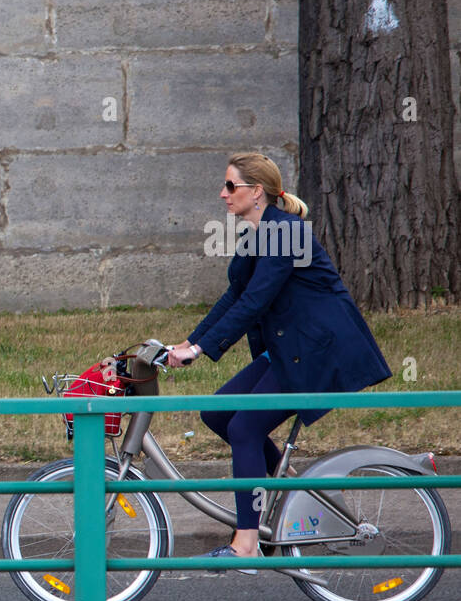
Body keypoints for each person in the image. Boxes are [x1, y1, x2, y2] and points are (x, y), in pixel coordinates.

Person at [167, 153, 390, 571]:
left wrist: (198, 350)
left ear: (257, 191)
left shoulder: (286, 233)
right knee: (218, 415)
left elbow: (255, 302)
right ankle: (292, 504)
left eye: (230, 186)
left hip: (316, 354)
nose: (222, 194)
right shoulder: (261, 232)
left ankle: (247, 545)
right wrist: (189, 342)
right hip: (289, 351)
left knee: (244, 426)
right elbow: (235, 295)